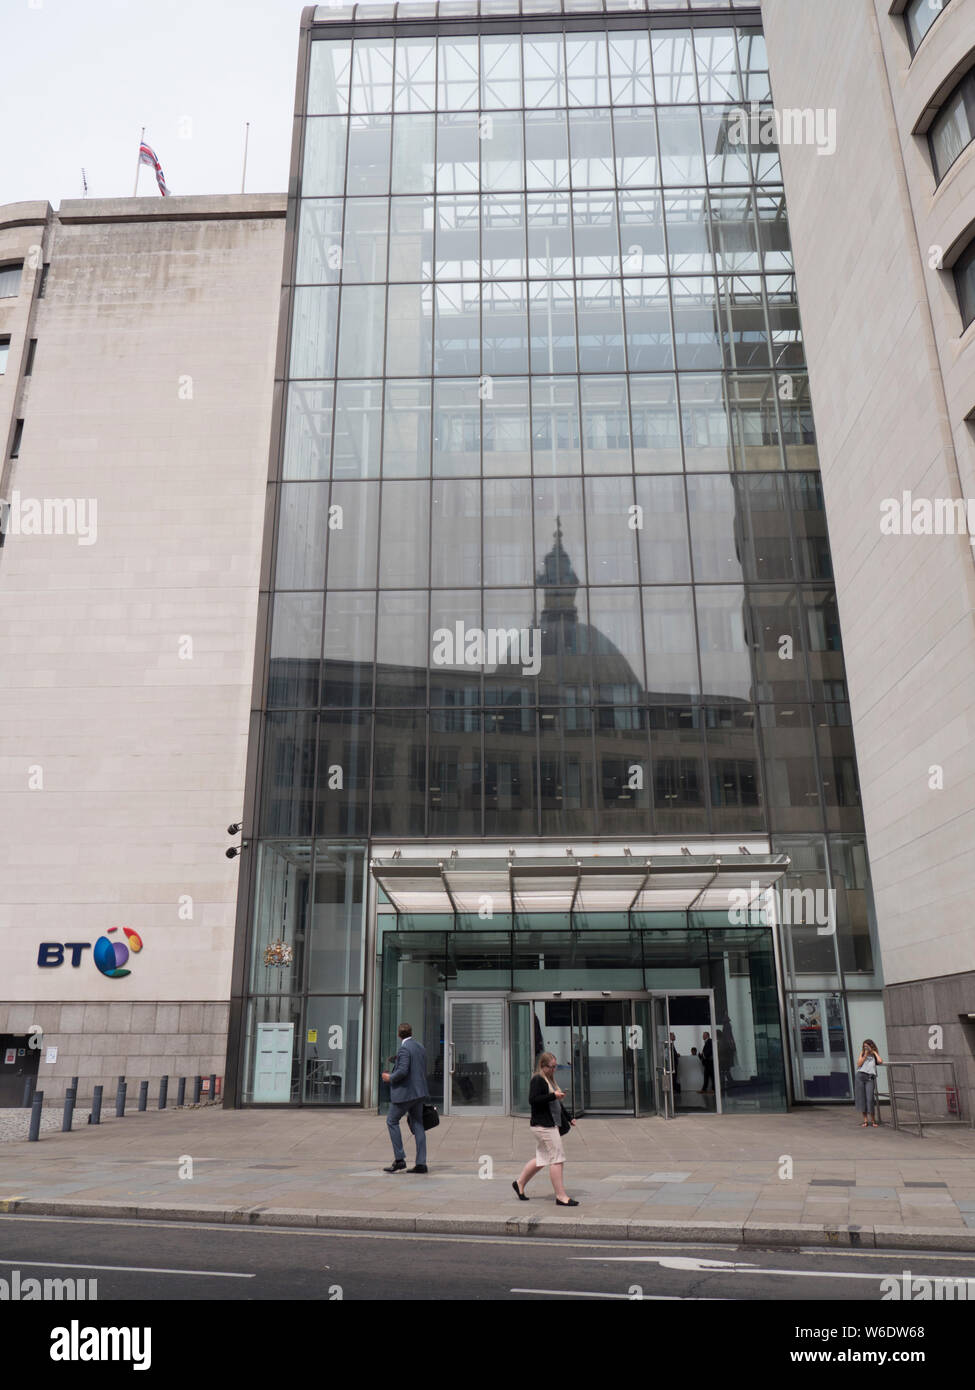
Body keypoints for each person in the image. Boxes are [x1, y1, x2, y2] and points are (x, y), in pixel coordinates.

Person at [512, 1052, 579, 1207]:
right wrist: (553, 1096)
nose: (554, 1069)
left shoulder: (549, 1079)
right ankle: (561, 1196)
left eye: (555, 1066)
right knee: (557, 1158)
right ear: (543, 1066)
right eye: (552, 1067)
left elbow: (557, 1104)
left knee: (543, 1158)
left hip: (546, 1124)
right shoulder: (538, 1079)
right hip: (543, 1125)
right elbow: (533, 1100)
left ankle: (519, 1183)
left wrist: (569, 1118)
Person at [382, 1023, 430, 1173]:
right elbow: (416, 1066)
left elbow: (403, 1071)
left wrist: (389, 1077)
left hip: (405, 1094)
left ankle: (399, 1159)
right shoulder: (419, 1046)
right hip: (419, 1092)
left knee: (391, 1120)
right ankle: (421, 1163)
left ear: (398, 1034)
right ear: (411, 1032)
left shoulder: (404, 1048)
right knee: (418, 1124)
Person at [855, 1038, 883, 1128]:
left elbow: (880, 1061)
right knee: (862, 1098)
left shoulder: (874, 1055)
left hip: (870, 1078)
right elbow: (858, 1064)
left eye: (867, 1046)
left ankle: (873, 1120)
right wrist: (865, 1055)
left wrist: (874, 1052)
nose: (865, 1048)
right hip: (860, 1076)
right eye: (864, 1047)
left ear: (871, 1046)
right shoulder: (863, 1054)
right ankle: (865, 1120)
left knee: (870, 1099)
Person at [668, 1031, 681, 1098]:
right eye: (673, 1035)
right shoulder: (669, 1044)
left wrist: (676, 1055)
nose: (675, 1037)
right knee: (673, 1077)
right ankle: (673, 1089)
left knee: (674, 1077)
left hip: (673, 1064)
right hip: (672, 1064)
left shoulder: (671, 1044)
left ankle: (674, 1089)